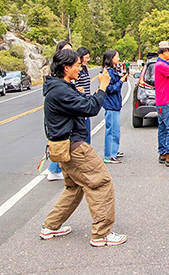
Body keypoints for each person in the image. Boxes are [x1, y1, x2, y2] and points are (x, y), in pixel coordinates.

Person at [39, 49, 127, 247]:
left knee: (75, 187)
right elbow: (91, 108)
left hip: (63, 147)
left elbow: (83, 104)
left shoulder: (60, 87)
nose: (81, 68)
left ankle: (51, 226)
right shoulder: (61, 91)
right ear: (66, 68)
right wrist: (102, 88)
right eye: (77, 65)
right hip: (75, 147)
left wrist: (81, 93)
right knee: (101, 182)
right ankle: (101, 234)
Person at [47, 41, 74, 181]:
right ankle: (53, 169)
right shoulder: (58, 84)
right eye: (66, 50)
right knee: (61, 140)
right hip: (61, 116)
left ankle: (58, 168)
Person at [102, 49, 128, 164]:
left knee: (116, 130)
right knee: (111, 130)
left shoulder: (113, 71)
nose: (118, 59)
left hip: (115, 104)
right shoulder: (107, 72)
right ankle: (109, 155)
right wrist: (121, 81)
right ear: (111, 58)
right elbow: (110, 89)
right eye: (117, 57)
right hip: (111, 105)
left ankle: (114, 150)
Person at [76, 47, 92, 144]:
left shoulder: (85, 69)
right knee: (82, 134)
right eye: (86, 58)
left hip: (87, 102)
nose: (87, 60)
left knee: (87, 133)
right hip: (80, 104)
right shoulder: (76, 71)